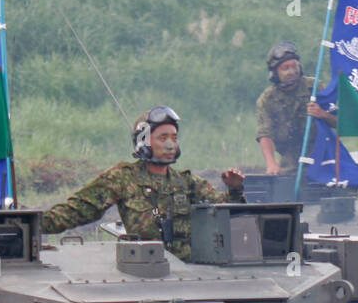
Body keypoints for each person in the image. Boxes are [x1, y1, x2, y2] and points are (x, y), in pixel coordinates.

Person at [41, 107, 245, 262]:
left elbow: (225, 214)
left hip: (188, 270)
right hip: (143, 270)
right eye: (162, 137)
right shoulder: (124, 178)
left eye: (174, 137)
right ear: (143, 142)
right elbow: (78, 209)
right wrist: (33, 224)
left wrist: (234, 190)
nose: (170, 144)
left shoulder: (186, 181)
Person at [255, 42, 337, 176]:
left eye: (294, 66)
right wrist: (271, 164)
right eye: (285, 68)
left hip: (323, 160)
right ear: (275, 73)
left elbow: (339, 122)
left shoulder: (315, 88)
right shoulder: (267, 99)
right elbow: (264, 134)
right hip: (290, 165)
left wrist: (322, 114)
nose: (291, 72)